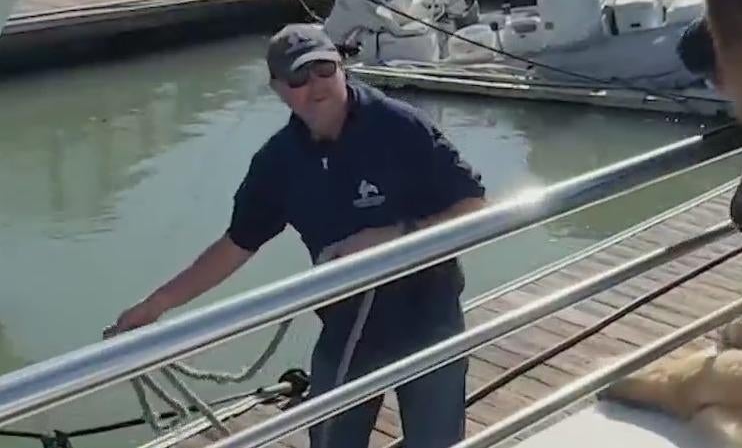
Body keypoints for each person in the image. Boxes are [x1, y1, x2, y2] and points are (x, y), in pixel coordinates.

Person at [107, 24, 488, 448]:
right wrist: (156, 306)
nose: (316, 85)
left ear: (342, 67)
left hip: (429, 319)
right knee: (330, 440)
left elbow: (474, 207)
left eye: (324, 69)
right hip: (346, 327)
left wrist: (396, 235)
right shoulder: (278, 161)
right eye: (299, 77)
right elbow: (236, 245)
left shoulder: (401, 126)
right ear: (277, 89)